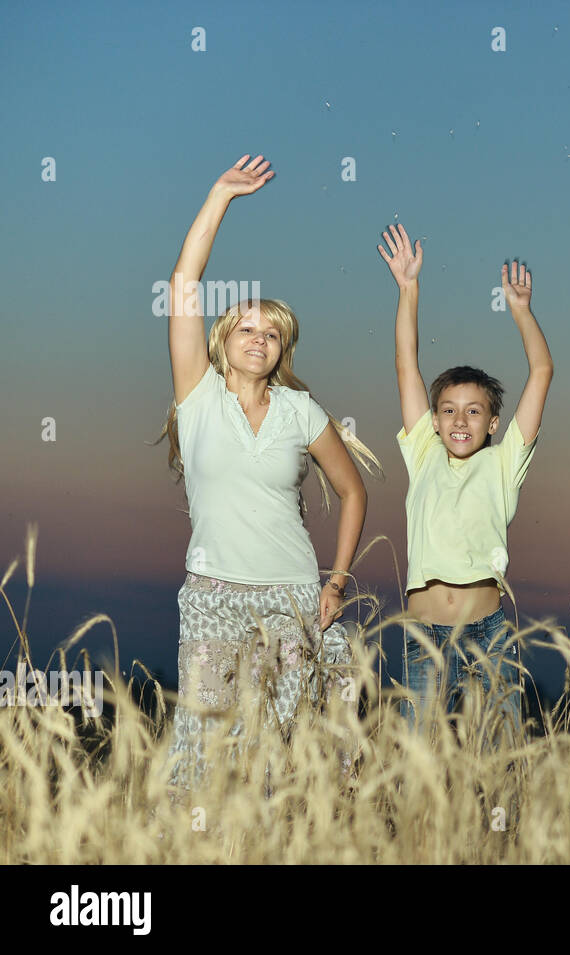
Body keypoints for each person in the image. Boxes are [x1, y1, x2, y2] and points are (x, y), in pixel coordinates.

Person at [160, 155, 379, 789]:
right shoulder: (197, 397)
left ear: (284, 350)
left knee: (281, 760)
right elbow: (183, 284)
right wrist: (220, 195)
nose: (259, 339)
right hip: (212, 599)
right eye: (247, 327)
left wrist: (335, 582)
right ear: (222, 337)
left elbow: (352, 489)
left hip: (292, 599)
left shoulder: (299, 410)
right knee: (203, 753)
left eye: (273, 334)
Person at [378, 224, 552, 745]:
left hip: (489, 633)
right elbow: (406, 364)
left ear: (493, 423)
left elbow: (541, 371)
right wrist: (409, 289)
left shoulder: (504, 464)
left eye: (474, 412)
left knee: (499, 756)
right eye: (449, 410)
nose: (460, 420)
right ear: (432, 419)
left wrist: (521, 310)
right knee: (417, 757)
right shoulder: (424, 452)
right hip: (423, 637)